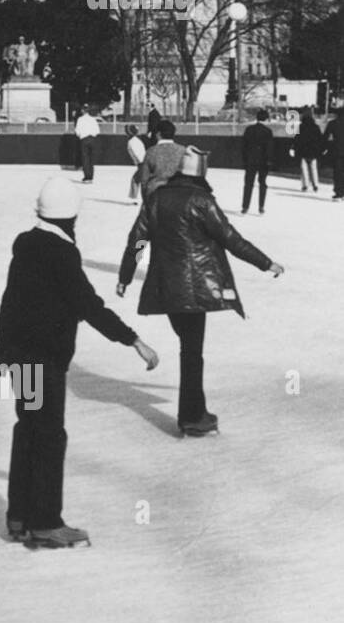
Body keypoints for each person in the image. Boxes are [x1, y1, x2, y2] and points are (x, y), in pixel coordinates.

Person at [0, 177, 159, 549]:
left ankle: (19, 516)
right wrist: (133, 339)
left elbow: (11, 300)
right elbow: (87, 305)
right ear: (70, 217)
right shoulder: (60, 252)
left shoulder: (26, 244)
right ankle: (46, 522)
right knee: (49, 436)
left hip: (21, 358)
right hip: (44, 359)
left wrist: (2, 351)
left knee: (28, 430)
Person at [117, 146, 284, 437]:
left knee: (190, 350)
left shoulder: (156, 199)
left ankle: (195, 412)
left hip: (167, 288)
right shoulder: (202, 200)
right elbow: (231, 239)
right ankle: (192, 417)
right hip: (194, 292)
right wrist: (266, 263)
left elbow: (138, 241)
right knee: (192, 353)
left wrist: (125, 276)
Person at [241, 108, 275, 215]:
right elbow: (269, 148)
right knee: (262, 183)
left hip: (250, 160)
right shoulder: (268, 131)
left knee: (248, 184)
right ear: (266, 119)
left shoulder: (249, 130)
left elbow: (244, 147)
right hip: (263, 162)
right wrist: (269, 161)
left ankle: (245, 207)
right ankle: (261, 206)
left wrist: (245, 159)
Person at [139, 119, 185, 198]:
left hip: (156, 193)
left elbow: (144, 180)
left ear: (158, 134)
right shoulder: (183, 150)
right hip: (178, 193)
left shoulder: (151, 151)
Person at [293, 105, 321, 193]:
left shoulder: (301, 127)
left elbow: (297, 139)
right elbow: (319, 138)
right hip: (313, 150)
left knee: (304, 168)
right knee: (313, 168)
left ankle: (305, 185)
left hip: (303, 150)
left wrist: (294, 148)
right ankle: (315, 185)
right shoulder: (316, 127)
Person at [73, 105, 99, 183]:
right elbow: (97, 131)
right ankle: (91, 176)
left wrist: (81, 135)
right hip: (92, 139)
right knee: (91, 158)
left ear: (83, 111)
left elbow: (77, 131)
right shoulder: (93, 119)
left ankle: (87, 176)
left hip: (84, 139)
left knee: (85, 158)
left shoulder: (80, 119)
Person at [324, 105, 344, 202]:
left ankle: (339, 193)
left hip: (338, 151)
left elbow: (325, 137)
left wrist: (324, 148)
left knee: (338, 173)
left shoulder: (333, 123)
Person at [125, 124, 146, 202]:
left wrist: (141, 164)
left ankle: (135, 199)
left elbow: (137, 154)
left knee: (136, 180)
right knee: (138, 180)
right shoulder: (136, 140)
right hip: (143, 163)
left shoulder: (132, 142)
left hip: (143, 163)